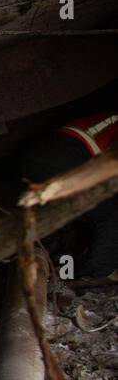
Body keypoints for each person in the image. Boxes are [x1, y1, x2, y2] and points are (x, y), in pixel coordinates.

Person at [23, 111, 118, 279]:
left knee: (70, 219)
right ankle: (92, 277)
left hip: (40, 159)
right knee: (110, 217)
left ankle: (57, 265)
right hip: (65, 159)